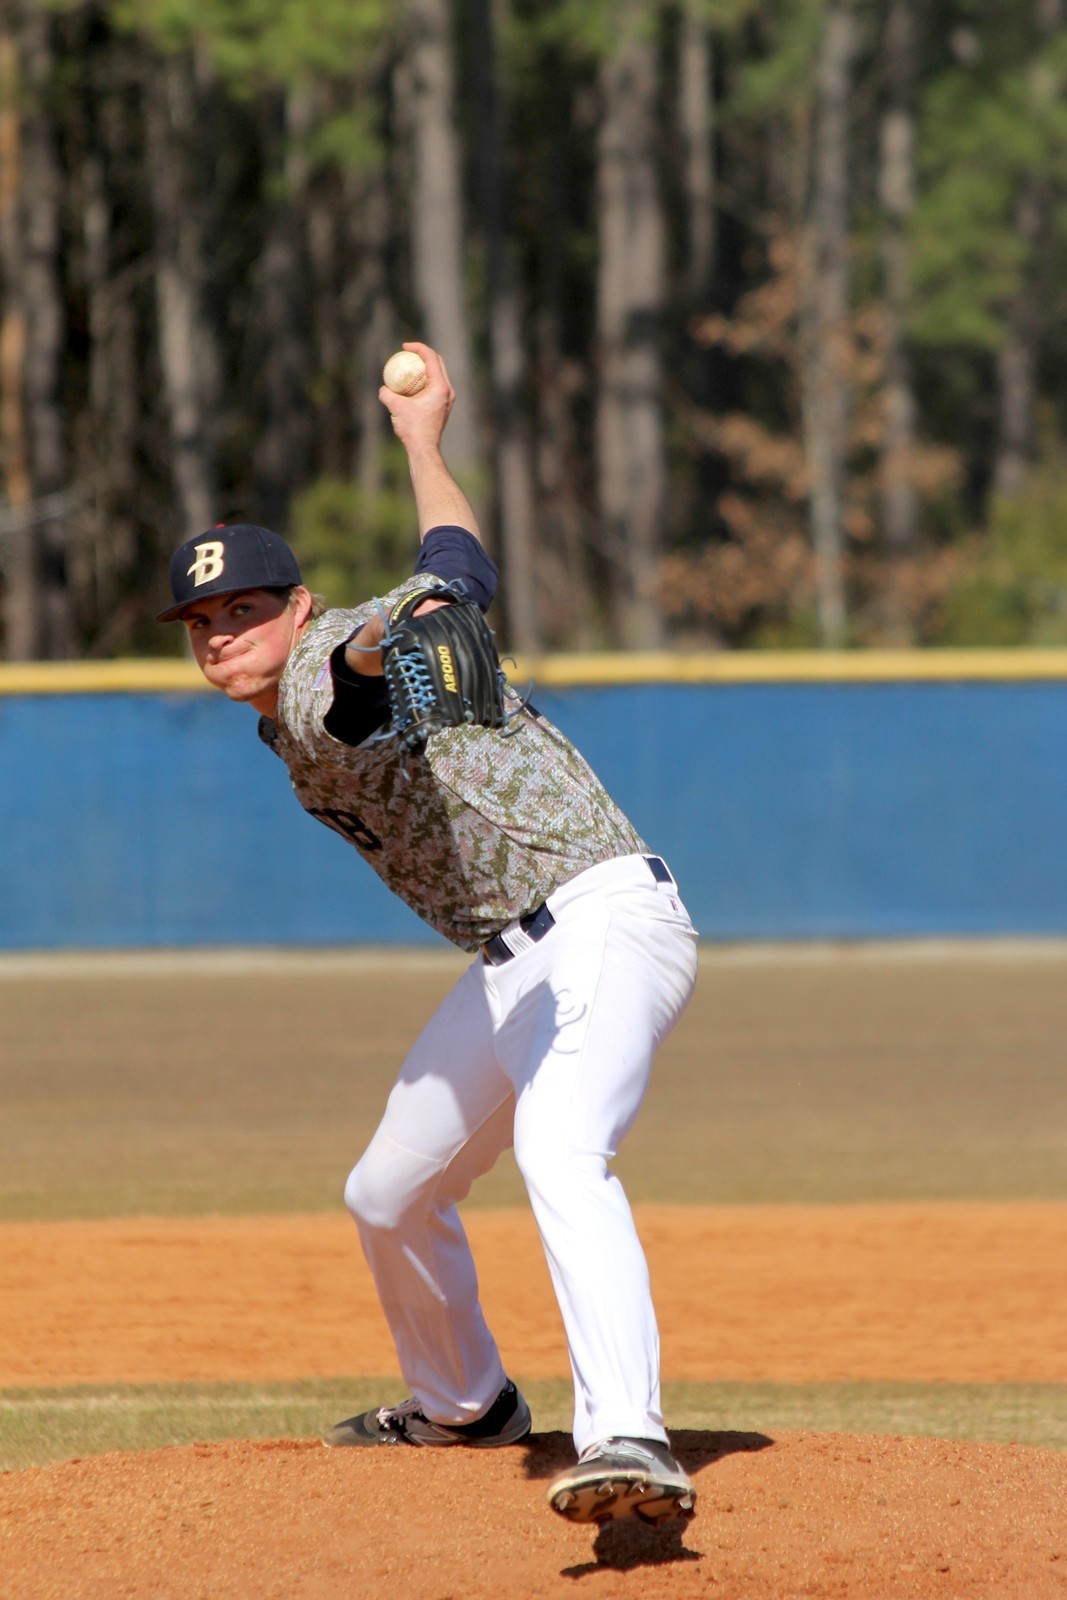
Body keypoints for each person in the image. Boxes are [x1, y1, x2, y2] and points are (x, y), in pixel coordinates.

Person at [159, 343, 699, 1528]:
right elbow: (455, 559)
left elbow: (348, 679)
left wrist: (363, 641)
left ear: (294, 606)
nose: (218, 632)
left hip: (604, 911)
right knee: (387, 1192)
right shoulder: (299, 686)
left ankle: (629, 1435)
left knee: (562, 1146)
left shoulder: (313, 663)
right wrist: (422, 446)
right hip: (509, 961)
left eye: (242, 607)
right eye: (200, 618)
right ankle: (465, 1403)